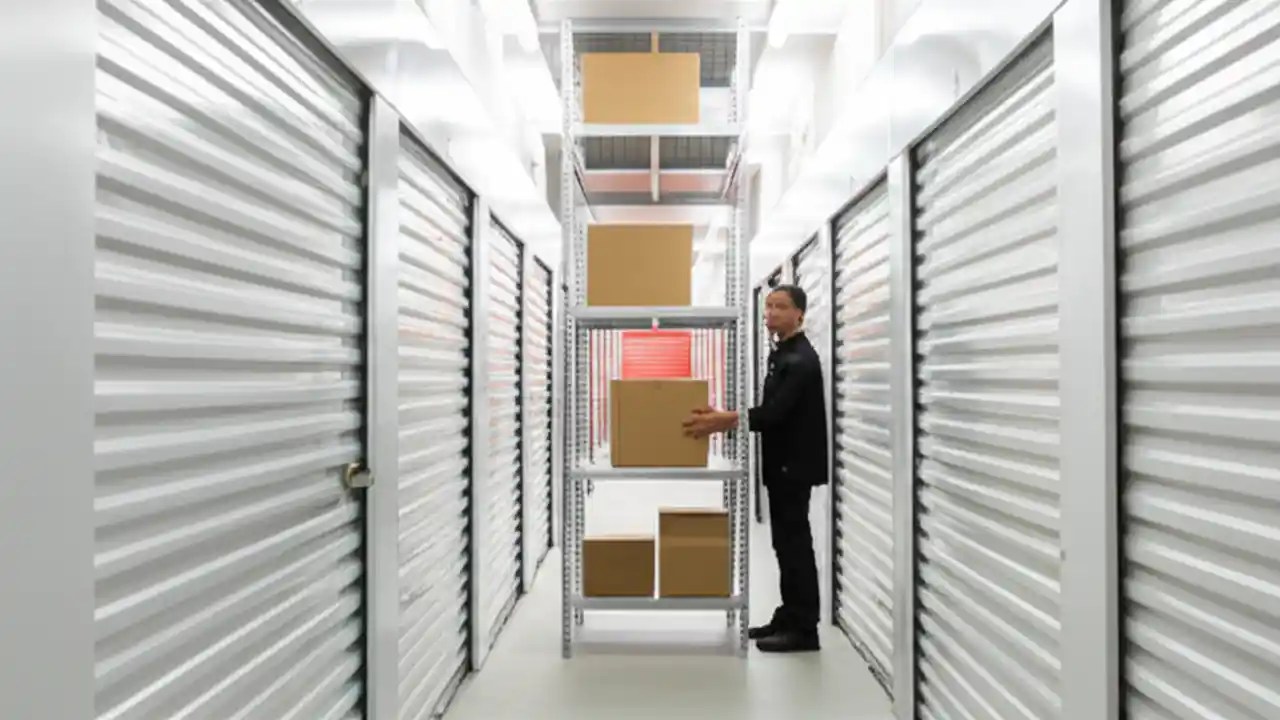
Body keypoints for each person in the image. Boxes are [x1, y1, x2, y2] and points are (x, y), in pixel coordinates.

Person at [683, 284, 828, 653]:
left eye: (781, 307)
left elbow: (773, 414)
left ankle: (804, 629)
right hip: (782, 465)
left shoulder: (800, 360)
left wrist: (723, 420)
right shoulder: (783, 353)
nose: (771, 313)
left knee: (795, 545)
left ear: (799, 314)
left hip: (793, 467)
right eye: (768, 306)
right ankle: (789, 616)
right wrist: (726, 417)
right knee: (784, 544)